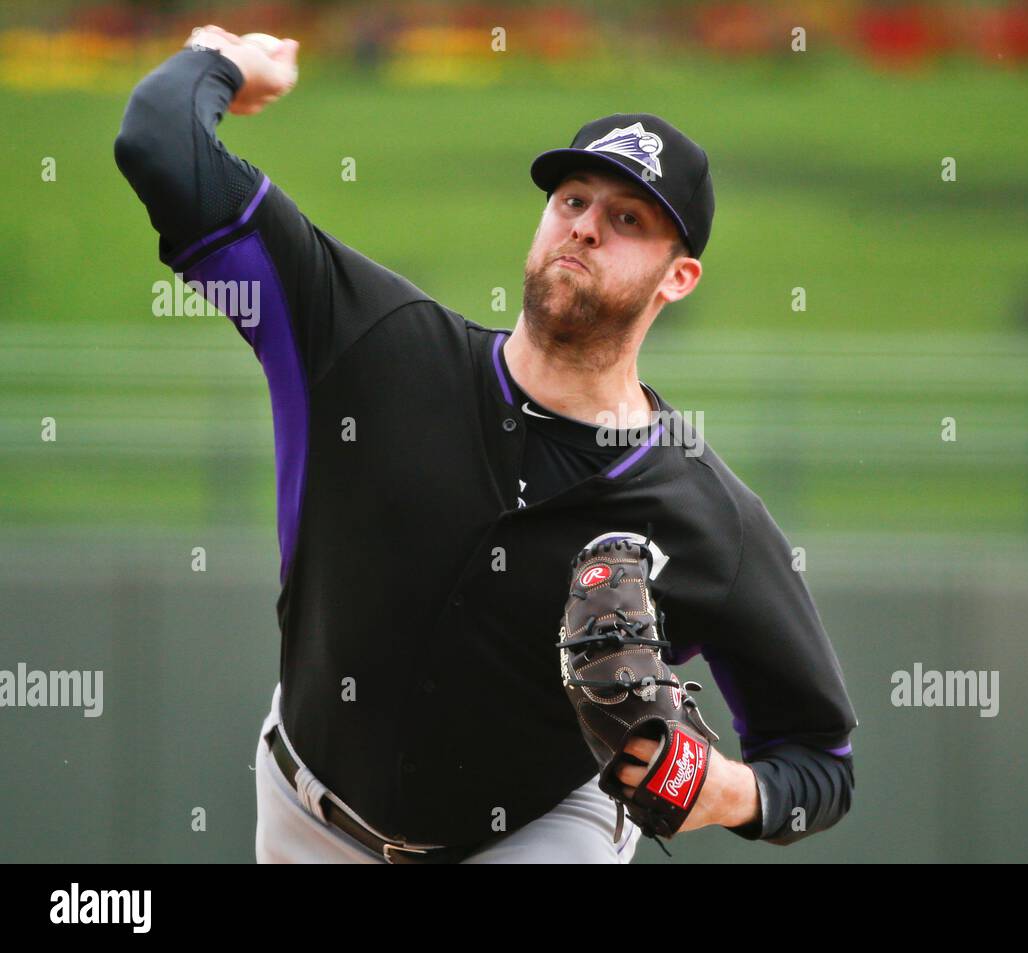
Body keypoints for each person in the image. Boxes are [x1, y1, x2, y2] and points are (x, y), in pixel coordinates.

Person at [114, 25, 858, 863]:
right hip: (303, 811)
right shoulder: (373, 345)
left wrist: (728, 790)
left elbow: (822, 763)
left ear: (677, 276)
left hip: (536, 834)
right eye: (571, 200)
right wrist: (225, 63)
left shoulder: (707, 518)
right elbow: (156, 143)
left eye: (626, 218)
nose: (584, 227)